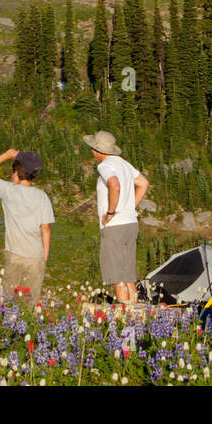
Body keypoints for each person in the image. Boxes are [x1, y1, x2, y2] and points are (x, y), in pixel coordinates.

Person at [0, 148, 54, 302]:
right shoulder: (42, 197)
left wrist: (6, 155)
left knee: (8, 301)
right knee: (30, 305)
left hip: (14, 256)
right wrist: (43, 258)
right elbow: (46, 228)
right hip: (36, 258)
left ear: (17, 173)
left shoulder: (8, 190)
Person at [83, 130, 149, 304]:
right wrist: (128, 207)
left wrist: (111, 212)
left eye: (92, 148)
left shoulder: (104, 165)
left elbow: (114, 185)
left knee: (117, 277)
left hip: (114, 227)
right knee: (128, 276)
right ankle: (135, 318)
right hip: (130, 224)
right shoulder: (124, 164)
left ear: (97, 150)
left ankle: (124, 322)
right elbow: (143, 183)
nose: (91, 152)